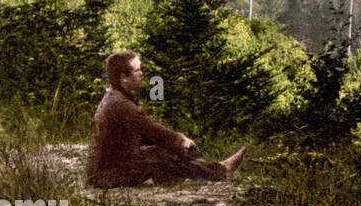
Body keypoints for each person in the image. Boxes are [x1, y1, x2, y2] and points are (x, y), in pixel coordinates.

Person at [87, 50, 247, 188]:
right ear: (124, 77)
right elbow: (151, 129)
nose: (142, 73)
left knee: (160, 153)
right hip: (107, 176)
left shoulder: (115, 98)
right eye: (137, 70)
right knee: (164, 158)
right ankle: (221, 172)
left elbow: (143, 134)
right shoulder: (120, 104)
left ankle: (212, 171)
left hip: (107, 170)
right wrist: (180, 141)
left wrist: (172, 145)